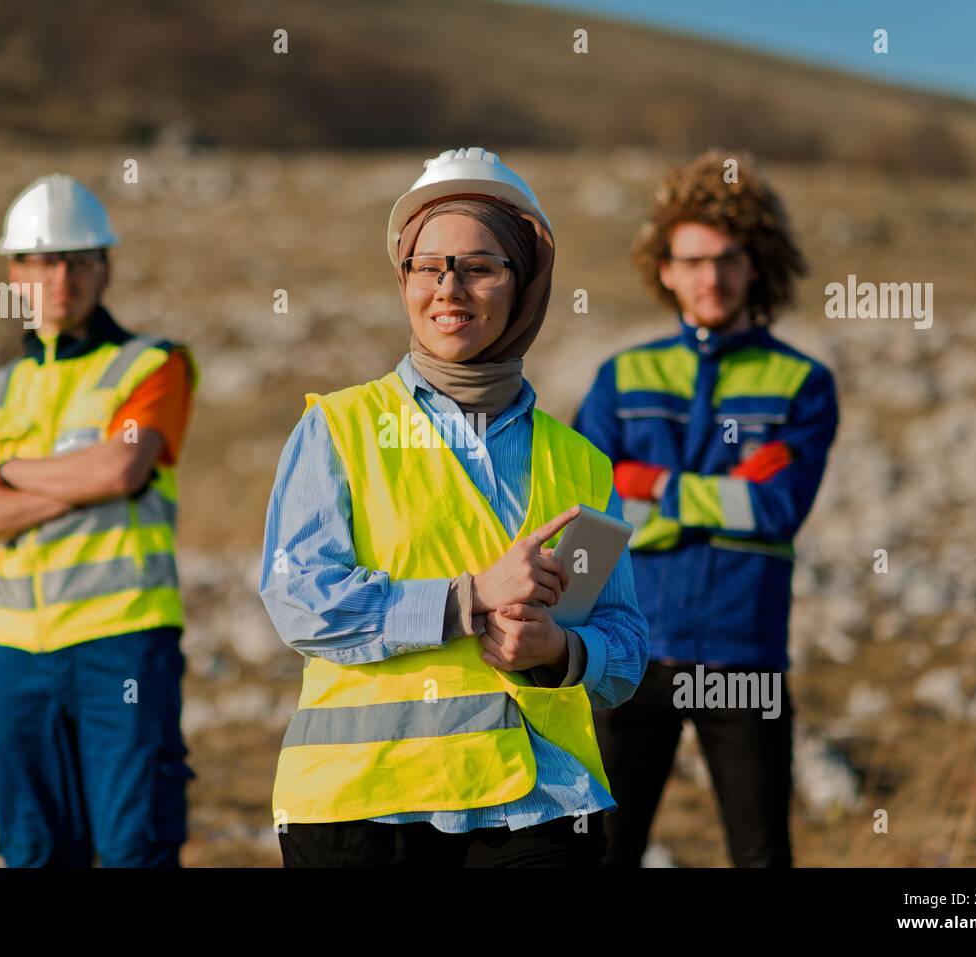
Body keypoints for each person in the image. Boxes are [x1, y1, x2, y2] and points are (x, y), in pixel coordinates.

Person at [260, 147, 649, 867]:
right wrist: (466, 598)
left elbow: (623, 646)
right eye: (427, 265)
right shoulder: (339, 429)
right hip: (361, 807)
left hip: (539, 804)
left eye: (479, 266)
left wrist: (563, 652)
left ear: (523, 284)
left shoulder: (581, 464)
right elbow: (299, 599)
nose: (449, 288)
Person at [573, 151, 839, 867]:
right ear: (664, 268)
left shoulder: (803, 383)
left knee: (760, 855)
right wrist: (724, 494)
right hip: (627, 649)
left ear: (757, 263)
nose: (710, 277)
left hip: (742, 652)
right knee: (603, 853)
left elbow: (776, 509)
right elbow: (590, 521)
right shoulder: (620, 376)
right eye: (691, 260)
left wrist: (652, 486)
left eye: (727, 258)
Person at [0, 173, 199, 867]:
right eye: (44, 260)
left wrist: (12, 471)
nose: (61, 277)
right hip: (14, 651)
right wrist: (73, 482)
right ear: (15, 271)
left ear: (104, 267)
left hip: (122, 640)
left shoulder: (153, 364)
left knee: (131, 848)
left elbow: (119, 470)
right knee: (32, 851)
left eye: (79, 260)